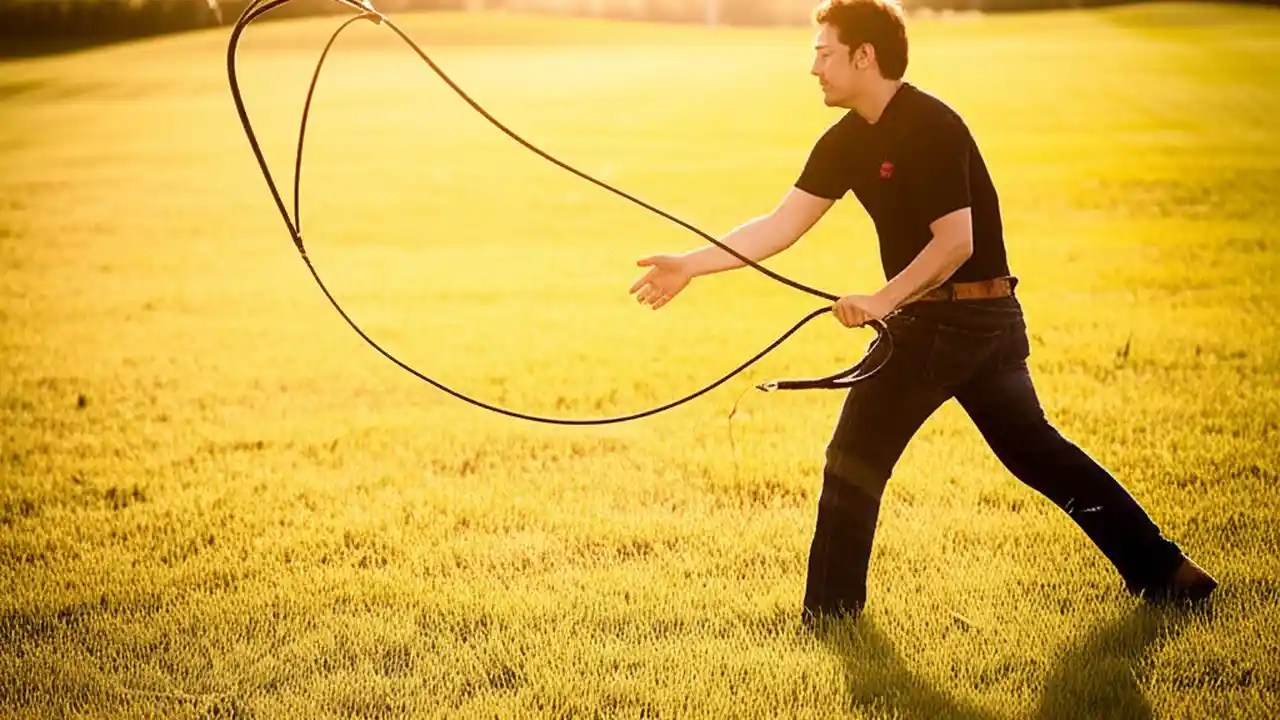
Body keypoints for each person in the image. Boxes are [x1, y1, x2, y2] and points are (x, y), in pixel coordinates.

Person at [627, 0, 1217, 623]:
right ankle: (1168, 574)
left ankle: (829, 620)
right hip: (952, 326)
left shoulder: (931, 125)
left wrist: (882, 299)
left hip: (962, 326)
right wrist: (691, 263)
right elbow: (780, 225)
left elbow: (955, 242)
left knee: (855, 461)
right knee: (1035, 454)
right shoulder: (846, 140)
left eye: (824, 55)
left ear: (864, 56)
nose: (814, 69)